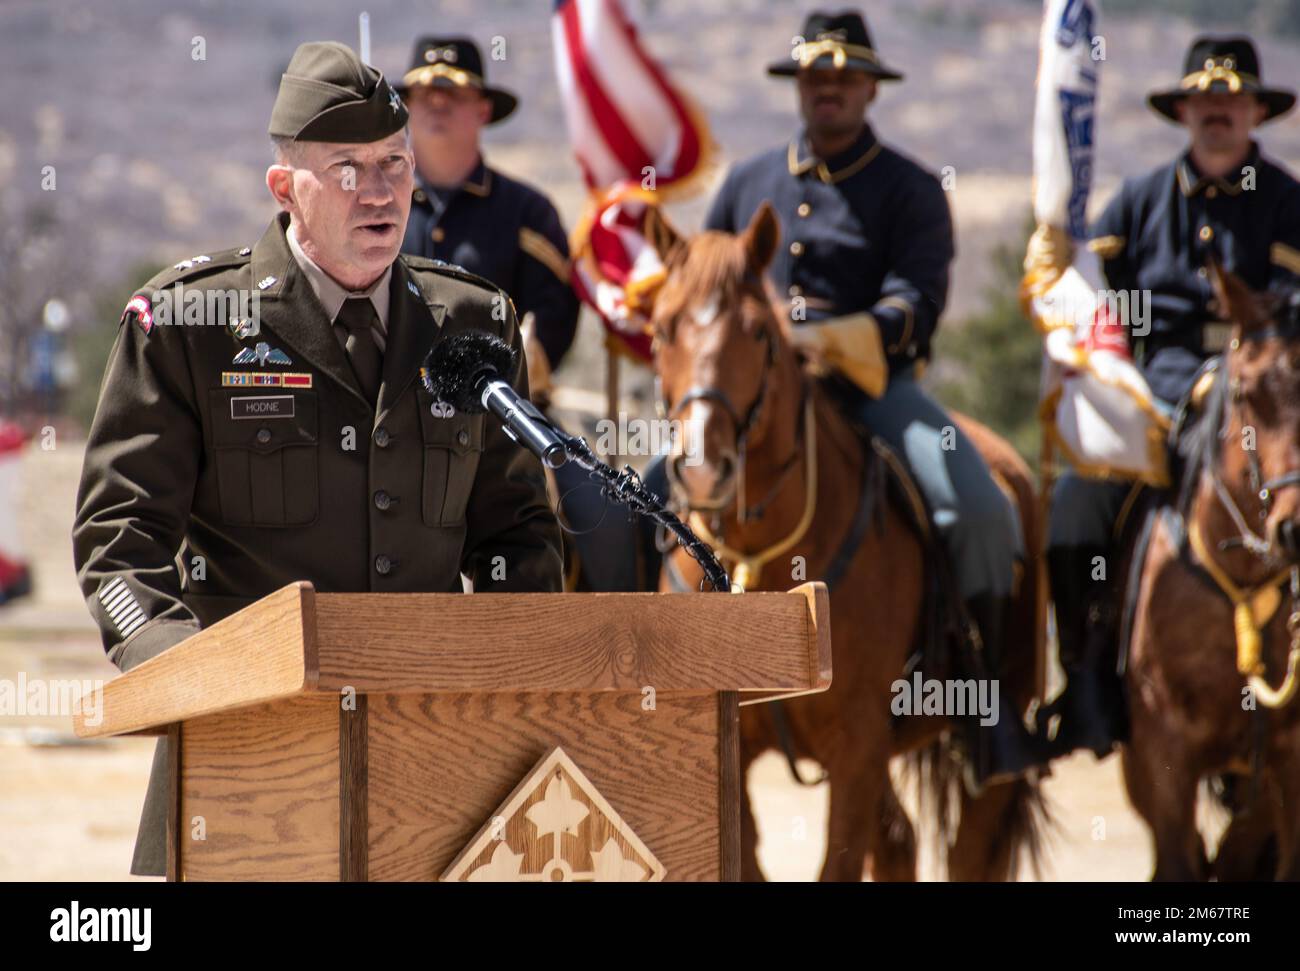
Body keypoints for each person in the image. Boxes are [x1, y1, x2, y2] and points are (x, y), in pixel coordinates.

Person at [72, 41, 562, 876]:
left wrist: (493, 668)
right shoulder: (191, 325)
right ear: (284, 187)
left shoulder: (473, 325)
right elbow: (120, 537)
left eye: (394, 164)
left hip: (432, 755)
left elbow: (519, 531)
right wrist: (186, 674)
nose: (378, 192)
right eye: (345, 168)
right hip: (243, 753)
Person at [658, 10, 1041, 784]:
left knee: (980, 508)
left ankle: (986, 700)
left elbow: (915, 306)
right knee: (644, 500)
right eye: (814, 76)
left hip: (873, 387)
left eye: (843, 77)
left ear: (870, 87)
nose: (828, 89)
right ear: (798, 85)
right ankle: (658, 680)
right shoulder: (746, 181)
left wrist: (831, 339)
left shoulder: (910, 188)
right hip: (752, 399)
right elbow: (705, 281)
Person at [1046, 35, 1300, 757]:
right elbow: (1093, 302)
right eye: (1205, 99)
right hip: (1155, 387)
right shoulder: (1137, 202)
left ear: (1255, 110)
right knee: (1071, 504)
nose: (1217, 111)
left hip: (1269, 389)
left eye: (1232, 99)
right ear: (1184, 108)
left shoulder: (1286, 201)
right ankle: (1087, 681)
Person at [397, 36, 580, 372]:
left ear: (483, 109)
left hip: (494, 414)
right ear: (405, 107)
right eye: (424, 92)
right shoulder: (374, 205)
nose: (438, 101)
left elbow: (555, 316)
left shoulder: (528, 214)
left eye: (453, 92)